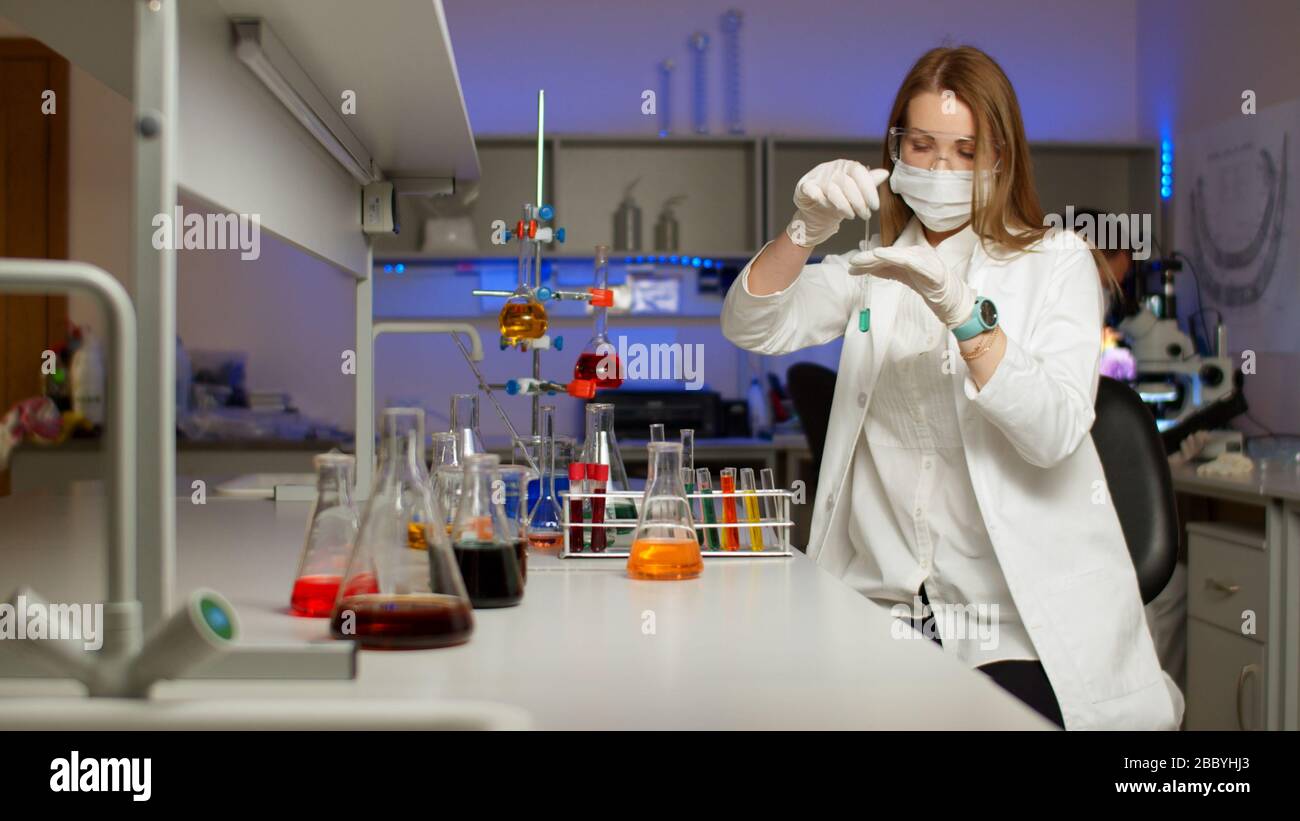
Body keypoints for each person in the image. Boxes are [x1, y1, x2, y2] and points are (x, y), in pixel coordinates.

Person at [721, 45, 1182, 730]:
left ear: (1001, 158)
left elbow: (1055, 431)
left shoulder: (1056, 263)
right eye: (923, 146)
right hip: (882, 612)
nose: (941, 169)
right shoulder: (874, 268)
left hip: (1017, 627)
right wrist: (804, 229)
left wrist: (969, 320)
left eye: (966, 151)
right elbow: (750, 323)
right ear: (895, 149)